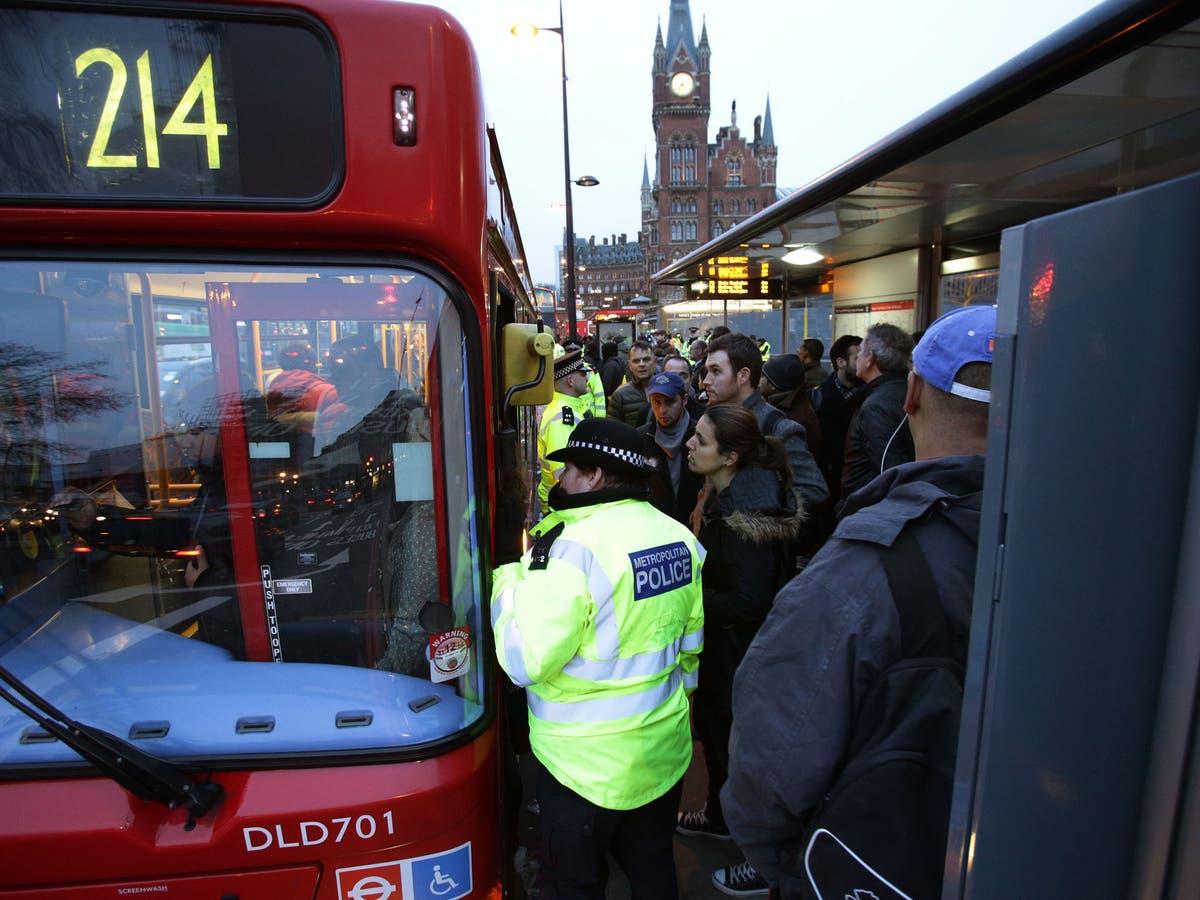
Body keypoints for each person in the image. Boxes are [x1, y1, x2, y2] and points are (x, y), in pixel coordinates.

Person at [719, 306, 996, 896]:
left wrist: (791, 868)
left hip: (865, 867)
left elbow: (770, 759)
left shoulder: (865, 568)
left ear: (912, 392)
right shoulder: (1109, 546)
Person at [491, 416, 705, 900]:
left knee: (573, 884)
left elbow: (523, 661)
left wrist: (507, 581)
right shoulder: (679, 538)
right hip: (661, 752)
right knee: (652, 869)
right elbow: (690, 647)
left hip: (580, 767)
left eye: (568, 468)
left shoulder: (569, 550)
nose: (560, 478)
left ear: (595, 476)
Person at [674, 405, 804, 898]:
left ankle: (760, 857)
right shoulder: (725, 494)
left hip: (739, 655)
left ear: (729, 457)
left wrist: (687, 597)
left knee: (738, 748)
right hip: (726, 652)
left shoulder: (745, 516)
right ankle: (719, 818)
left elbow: (750, 601)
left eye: (701, 441)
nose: (690, 445)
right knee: (720, 736)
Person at [701, 332, 829, 516]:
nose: (706, 381)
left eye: (716, 371)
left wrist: (758, 512)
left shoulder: (778, 428)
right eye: (707, 371)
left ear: (743, 375)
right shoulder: (713, 418)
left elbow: (815, 490)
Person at [840, 322, 915, 502]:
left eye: (860, 352)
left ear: (870, 359)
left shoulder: (877, 406)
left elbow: (889, 470)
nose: (857, 356)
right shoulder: (905, 392)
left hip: (868, 508)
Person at [639, 371, 703, 525]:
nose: (662, 410)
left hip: (694, 524)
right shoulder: (641, 437)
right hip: (656, 526)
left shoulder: (700, 435)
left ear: (684, 399)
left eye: (670, 402)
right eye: (657, 402)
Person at [537, 350, 593, 515]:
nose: (587, 378)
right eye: (582, 374)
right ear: (570, 380)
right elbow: (563, 475)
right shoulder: (561, 418)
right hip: (563, 509)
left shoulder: (565, 410)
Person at [813, 334, 862, 504]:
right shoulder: (819, 398)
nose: (864, 362)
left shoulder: (870, 394)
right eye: (858, 358)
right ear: (841, 362)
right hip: (830, 482)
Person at [760, 354, 823, 469]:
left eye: (763, 377)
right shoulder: (787, 404)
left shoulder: (798, 418)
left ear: (773, 385)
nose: (759, 381)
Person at [608, 339, 656, 427]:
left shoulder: (667, 389)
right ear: (629, 365)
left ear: (655, 362)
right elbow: (613, 431)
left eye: (646, 359)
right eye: (636, 361)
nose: (641, 364)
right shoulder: (620, 394)